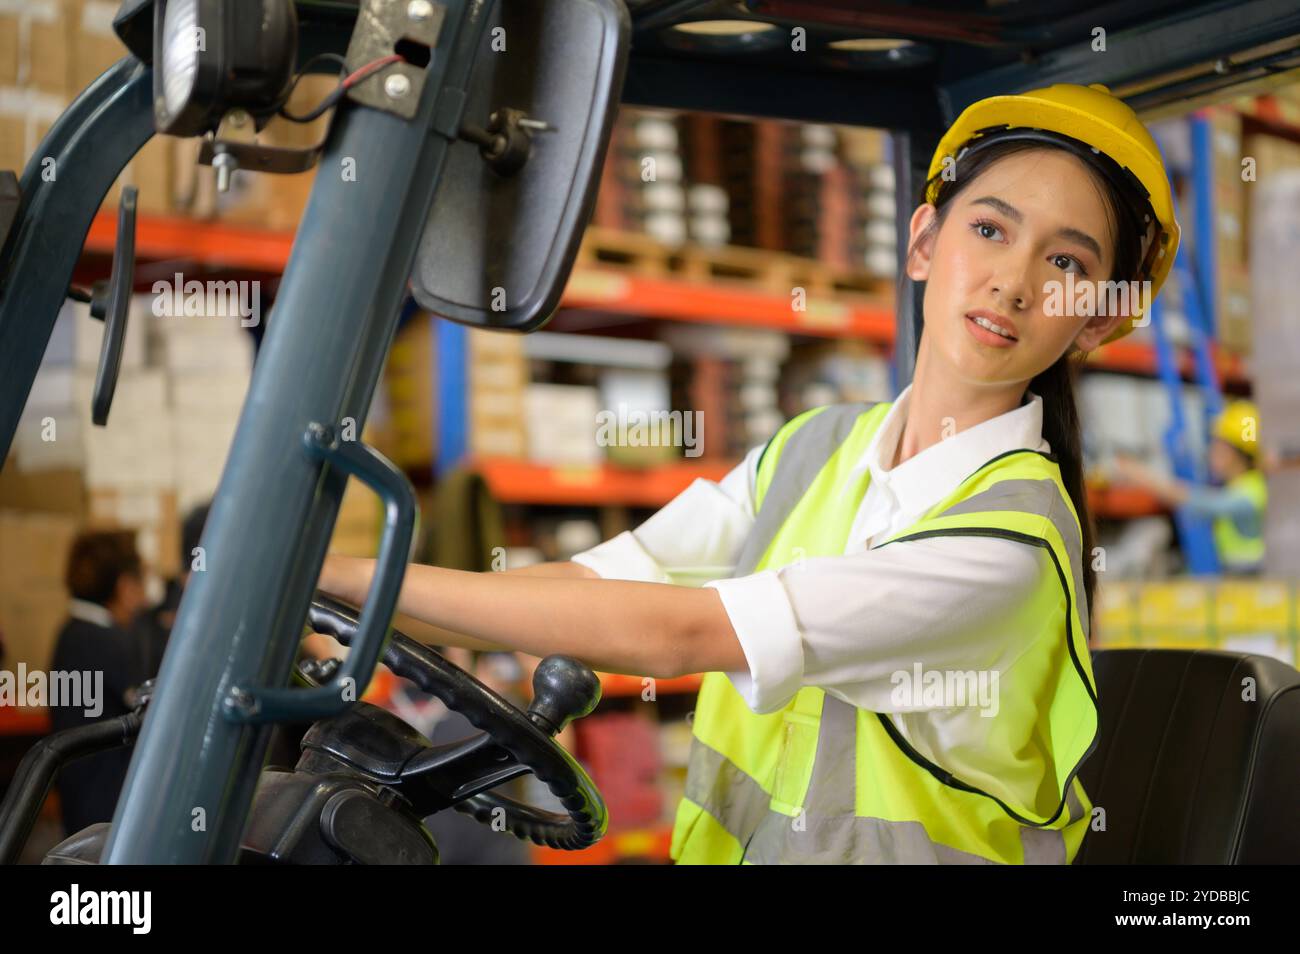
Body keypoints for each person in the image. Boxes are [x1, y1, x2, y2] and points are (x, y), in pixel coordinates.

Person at [315, 83, 1180, 864]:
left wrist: (357, 582)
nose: (1014, 282)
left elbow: (685, 633)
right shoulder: (813, 450)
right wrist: (366, 606)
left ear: (1096, 323)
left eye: (1066, 264)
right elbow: (599, 582)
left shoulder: (1010, 548)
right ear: (923, 242)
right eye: (989, 229)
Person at [49, 530, 151, 836]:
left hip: (77, 795)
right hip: (110, 804)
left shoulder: (69, 632)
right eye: (140, 584)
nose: (143, 598)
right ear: (124, 586)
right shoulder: (110, 642)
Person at [1113, 400, 1266, 574]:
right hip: (1240, 575)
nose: (1211, 452)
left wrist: (1140, 476)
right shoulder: (1240, 486)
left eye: (1218, 445)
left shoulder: (1250, 494)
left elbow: (1201, 502)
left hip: (1248, 578)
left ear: (1235, 452)